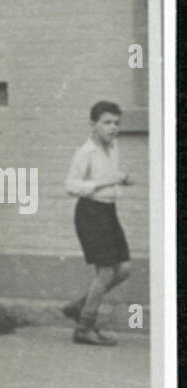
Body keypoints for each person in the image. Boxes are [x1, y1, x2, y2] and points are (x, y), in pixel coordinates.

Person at [62, 101, 133, 346]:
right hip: (90, 213)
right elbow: (70, 186)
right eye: (107, 122)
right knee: (105, 272)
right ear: (93, 125)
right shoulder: (85, 152)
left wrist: (119, 181)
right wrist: (106, 181)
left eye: (116, 123)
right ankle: (85, 327)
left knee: (123, 269)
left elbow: (110, 178)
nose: (112, 127)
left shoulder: (114, 147)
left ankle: (79, 306)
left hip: (109, 212)